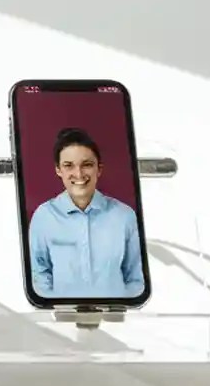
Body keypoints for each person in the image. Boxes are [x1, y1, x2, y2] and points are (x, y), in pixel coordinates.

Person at [28, 127, 144, 299]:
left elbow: (137, 278)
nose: (79, 174)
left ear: (99, 169)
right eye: (68, 166)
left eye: (87, 165)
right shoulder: (44, 216)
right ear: (58, 170)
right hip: (60, 320)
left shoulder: (124, 216)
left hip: (118, 319)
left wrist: (120, 307)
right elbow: (38, 274)